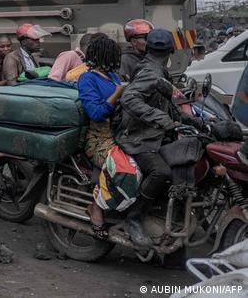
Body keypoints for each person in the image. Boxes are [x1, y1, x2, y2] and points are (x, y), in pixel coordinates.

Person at [116, 29, 190, 247]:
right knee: (161, 172)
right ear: (171, 50)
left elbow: (168, 100)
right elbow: (129, 98)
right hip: (139, 137)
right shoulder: (152, 71)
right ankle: (134, 218)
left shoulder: (158, 69)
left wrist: (192, 119)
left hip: (153, 134)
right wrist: (162, 119)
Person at [77, 36, 125, 239]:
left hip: (120, 134)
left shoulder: (113, 77)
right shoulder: (87, 79)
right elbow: (95, 113)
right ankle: (96, 208)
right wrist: (118, 93)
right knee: (126, 167)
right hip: (99, 139)